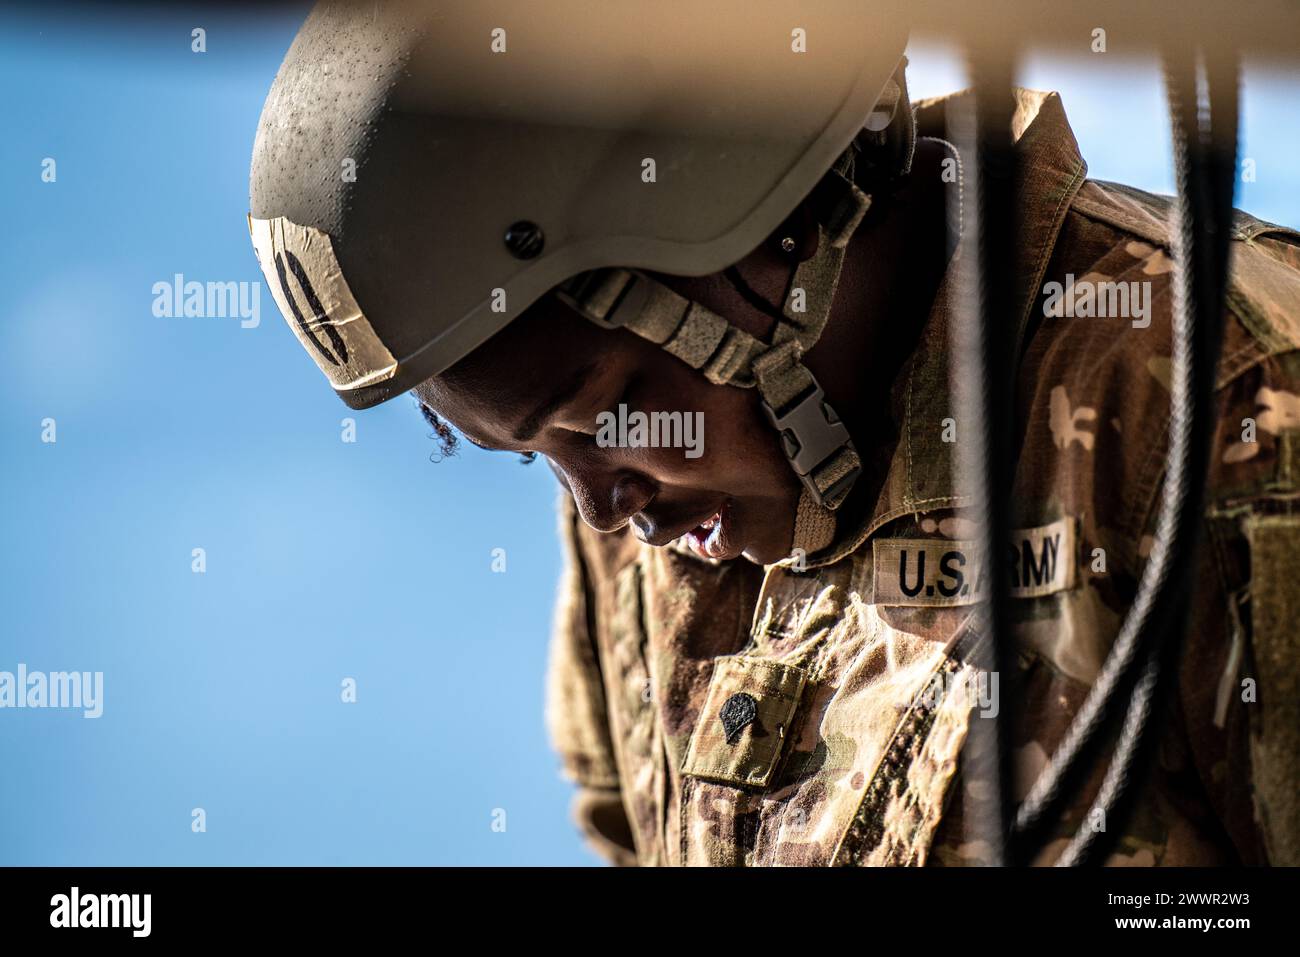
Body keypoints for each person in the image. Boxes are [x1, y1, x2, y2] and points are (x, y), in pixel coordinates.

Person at [248, 0, 1300, 865]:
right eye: (533, 456)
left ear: (779, 233)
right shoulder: (656, 517)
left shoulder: (1221, 405)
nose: (603, 511)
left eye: (602, 417)